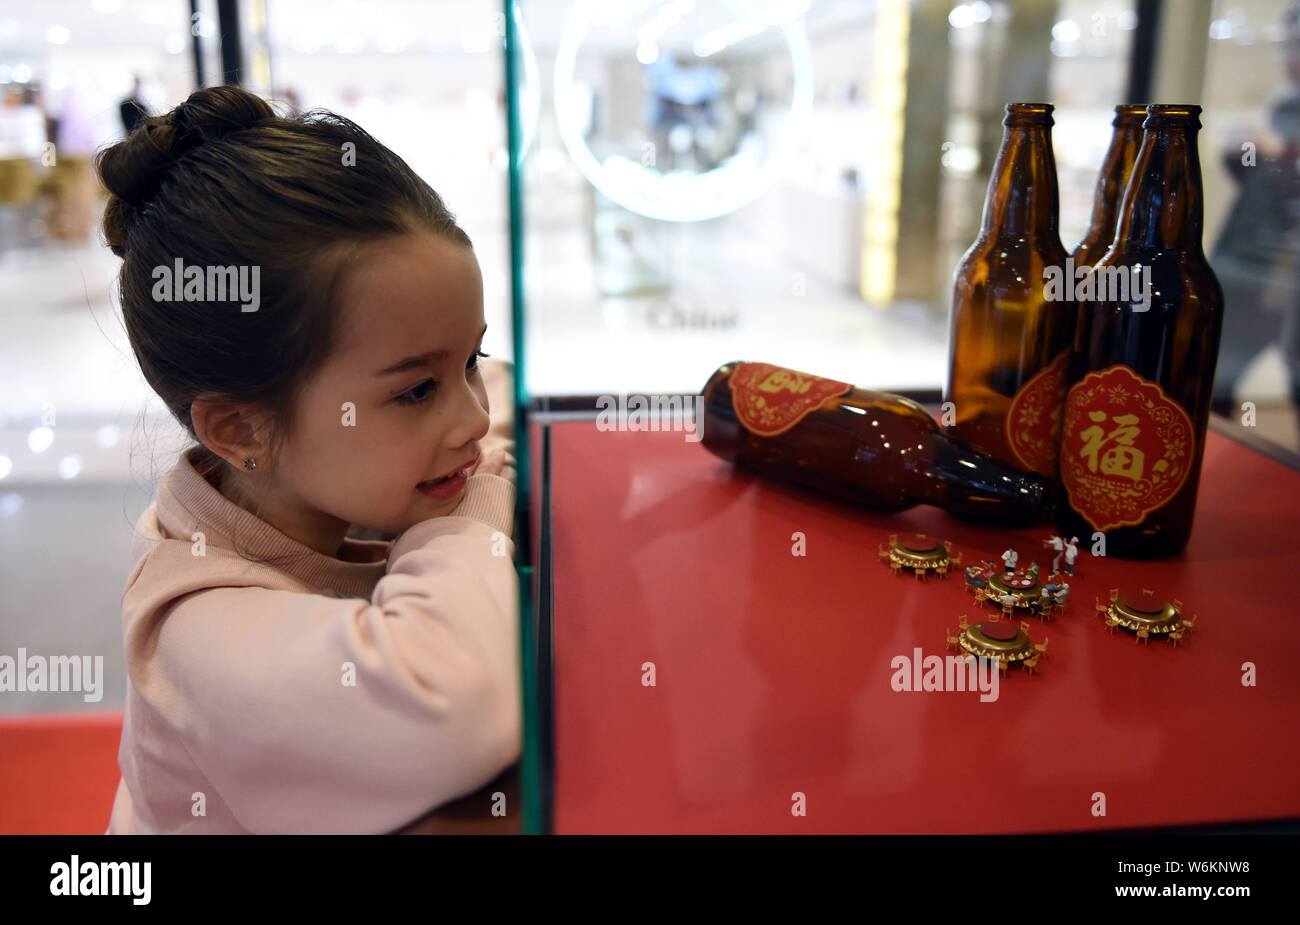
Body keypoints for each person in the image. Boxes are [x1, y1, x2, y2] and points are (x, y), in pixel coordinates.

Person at [99, 86, 519, 834]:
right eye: (418, 388)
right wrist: (471, 516)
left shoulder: (292, 480)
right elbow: (462, 702)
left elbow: (491, 392)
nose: (475, 416)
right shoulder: (197, 627)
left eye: (470, 358)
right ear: (238, 429)